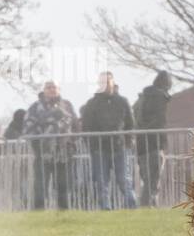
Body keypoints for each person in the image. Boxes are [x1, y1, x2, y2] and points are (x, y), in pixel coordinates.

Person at [79, 71, 136, 210]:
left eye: (107, 81)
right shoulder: (92, 103)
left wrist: (129, 141)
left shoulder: (123, 101)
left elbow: (130, 123)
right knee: (102, 181)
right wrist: (91, 145)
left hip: (120, 147)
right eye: (102, 82)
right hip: (99, 149)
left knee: (124, 180)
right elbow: (86, 126)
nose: (105, 84)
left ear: (112, 82)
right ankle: (105, 208)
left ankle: (132, 206)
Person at [23, 81, 78, 210]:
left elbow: (76, 125)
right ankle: (39, 211)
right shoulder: (35, 107)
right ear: (44, 90)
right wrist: (38, 145)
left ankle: (64, 212)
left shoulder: (67, 105)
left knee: (63, 185)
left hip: (64, 153)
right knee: (41, 186)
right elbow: (28, 128)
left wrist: (72, 141)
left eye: (54, 87)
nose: (52, 90)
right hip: (43, 154)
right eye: (49, 87)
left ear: (59, 89)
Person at [134, 69, 173, 207]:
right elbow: (160, 121)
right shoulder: (160, 97)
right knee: (153, 179)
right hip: (154, 143)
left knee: (147, 178)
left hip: (140, 144)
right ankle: (145, 206)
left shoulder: (141, 98)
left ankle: (151, 207)